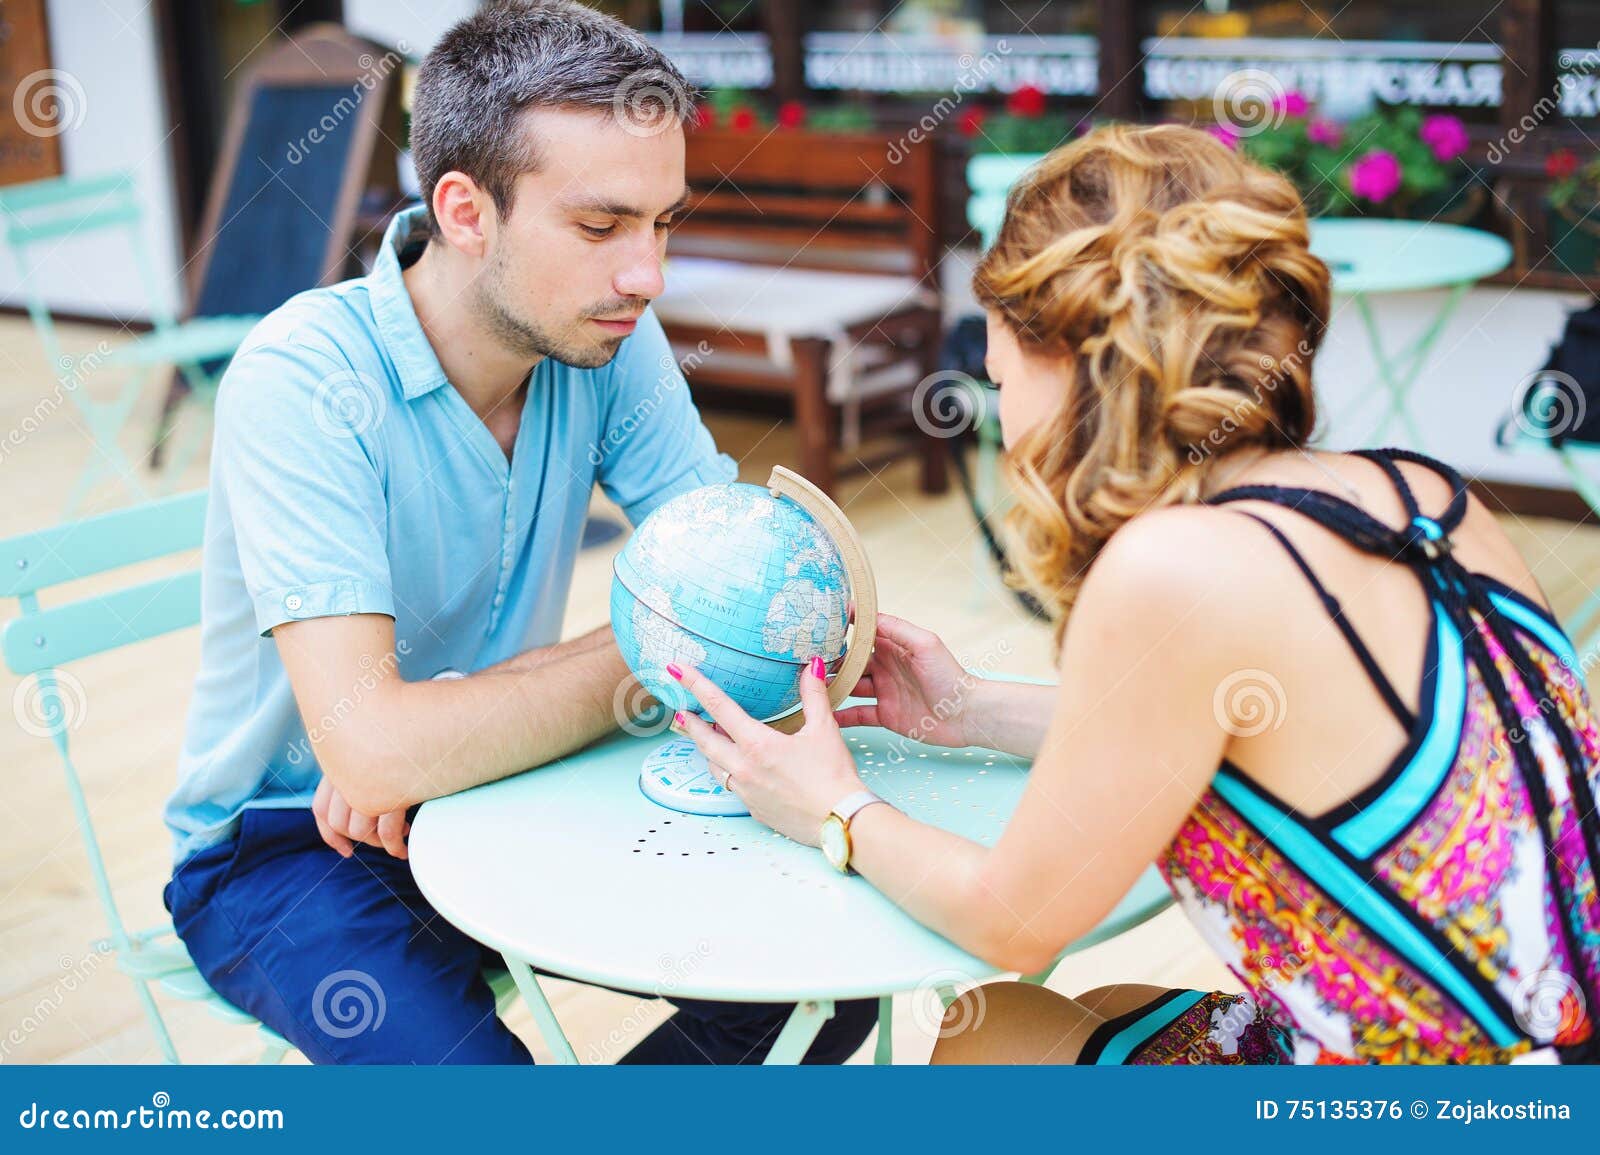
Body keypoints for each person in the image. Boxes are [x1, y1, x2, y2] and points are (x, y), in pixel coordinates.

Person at [670, 123, 1600, 1064]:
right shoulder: (1426, 492)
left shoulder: (1174, 568)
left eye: (1005, 382)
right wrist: (969, 708)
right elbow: (1264, 734)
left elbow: (1014, 923)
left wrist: (834, 805)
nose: (1012, 431)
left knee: (982, 1042)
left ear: (1077, 357)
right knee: (1088, 1004)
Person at [161, 0, 876, 1065]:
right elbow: (371, 747)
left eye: (663, 221)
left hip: (495, 789)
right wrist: (656, 649)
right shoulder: (303, 379)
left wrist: (433, 730)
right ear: (463, 210)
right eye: (601, 226)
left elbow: (772, 610)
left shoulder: (606, 338)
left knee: (825, 980)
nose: (649, 276)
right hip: (280, 850)